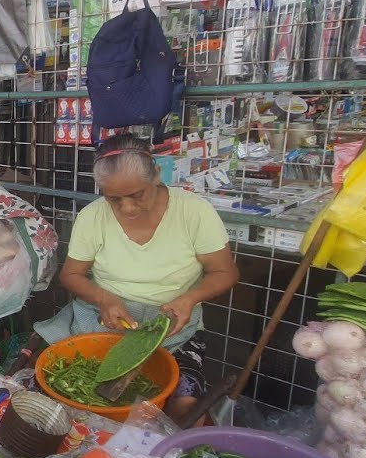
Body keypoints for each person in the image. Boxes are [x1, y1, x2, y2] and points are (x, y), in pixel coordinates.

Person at [35, 133, 240, 422]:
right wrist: (104, 299)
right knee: (57, 388)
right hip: (102, 318)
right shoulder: (92, 217)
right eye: (114, 199)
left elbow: (225, 272)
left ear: (156, 175)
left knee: (185, 407)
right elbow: (71, 274)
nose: (127, 208)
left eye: (137, 195)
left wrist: (190, 299)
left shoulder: (194, 212)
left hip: (171, 327)